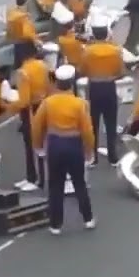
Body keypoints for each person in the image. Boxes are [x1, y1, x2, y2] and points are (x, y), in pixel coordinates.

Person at [32, 65, 97, 234]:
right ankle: (88, 219)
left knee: (55, 185)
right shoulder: (80, 104)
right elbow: (87, 130)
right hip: (74, 144)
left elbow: (37, 126)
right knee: (79, 183)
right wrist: (89, 152)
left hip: (55, 144)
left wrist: (38, 146)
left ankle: (55, 224)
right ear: (72, 83)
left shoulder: (48, 102)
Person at [80, 12, 126, 165]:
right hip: (109, 87)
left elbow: (83, 71)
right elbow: (121, 72)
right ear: (107, 33)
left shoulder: (87, 51)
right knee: (111, 123)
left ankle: (93, 158)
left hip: (94, 88)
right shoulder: (116, 51)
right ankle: (113, 157)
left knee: (93, 124)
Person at [4, 52, 51, 192]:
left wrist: (8, 106)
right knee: (41, 143)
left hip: (30, 110)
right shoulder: (42, 66)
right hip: (42, 106)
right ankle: (39, 177)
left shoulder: (23, 72)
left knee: (31, 144)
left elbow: (23, 101)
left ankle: (35, 178)